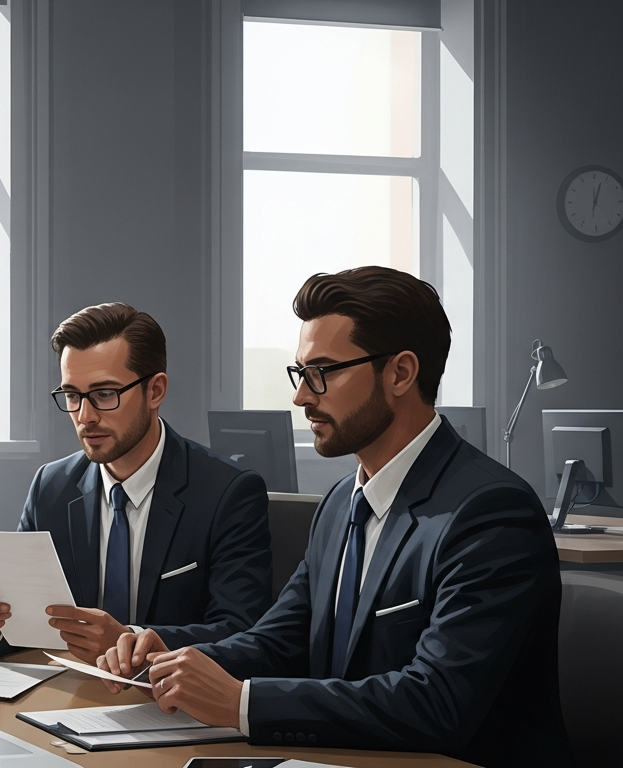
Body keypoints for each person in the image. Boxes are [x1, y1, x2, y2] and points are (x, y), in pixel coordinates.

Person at [96, 267, 573, 768]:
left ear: (401, 373)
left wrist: (241, 703)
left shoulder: (490, 512)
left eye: (322, 372)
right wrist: (166, 656)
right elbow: (282, 639)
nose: (302, 396)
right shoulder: (341, 500)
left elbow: (437, 702)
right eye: (301, 374)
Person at [0, 303, 273, 664]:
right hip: (70, 697)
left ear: (155, 391)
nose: (85, 416)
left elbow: (243, 630)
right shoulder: (51, 486)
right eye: (73, 395)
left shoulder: (227, 492)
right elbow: (24, 624)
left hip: (173, 702)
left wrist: (130, 639)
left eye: (105, 394)